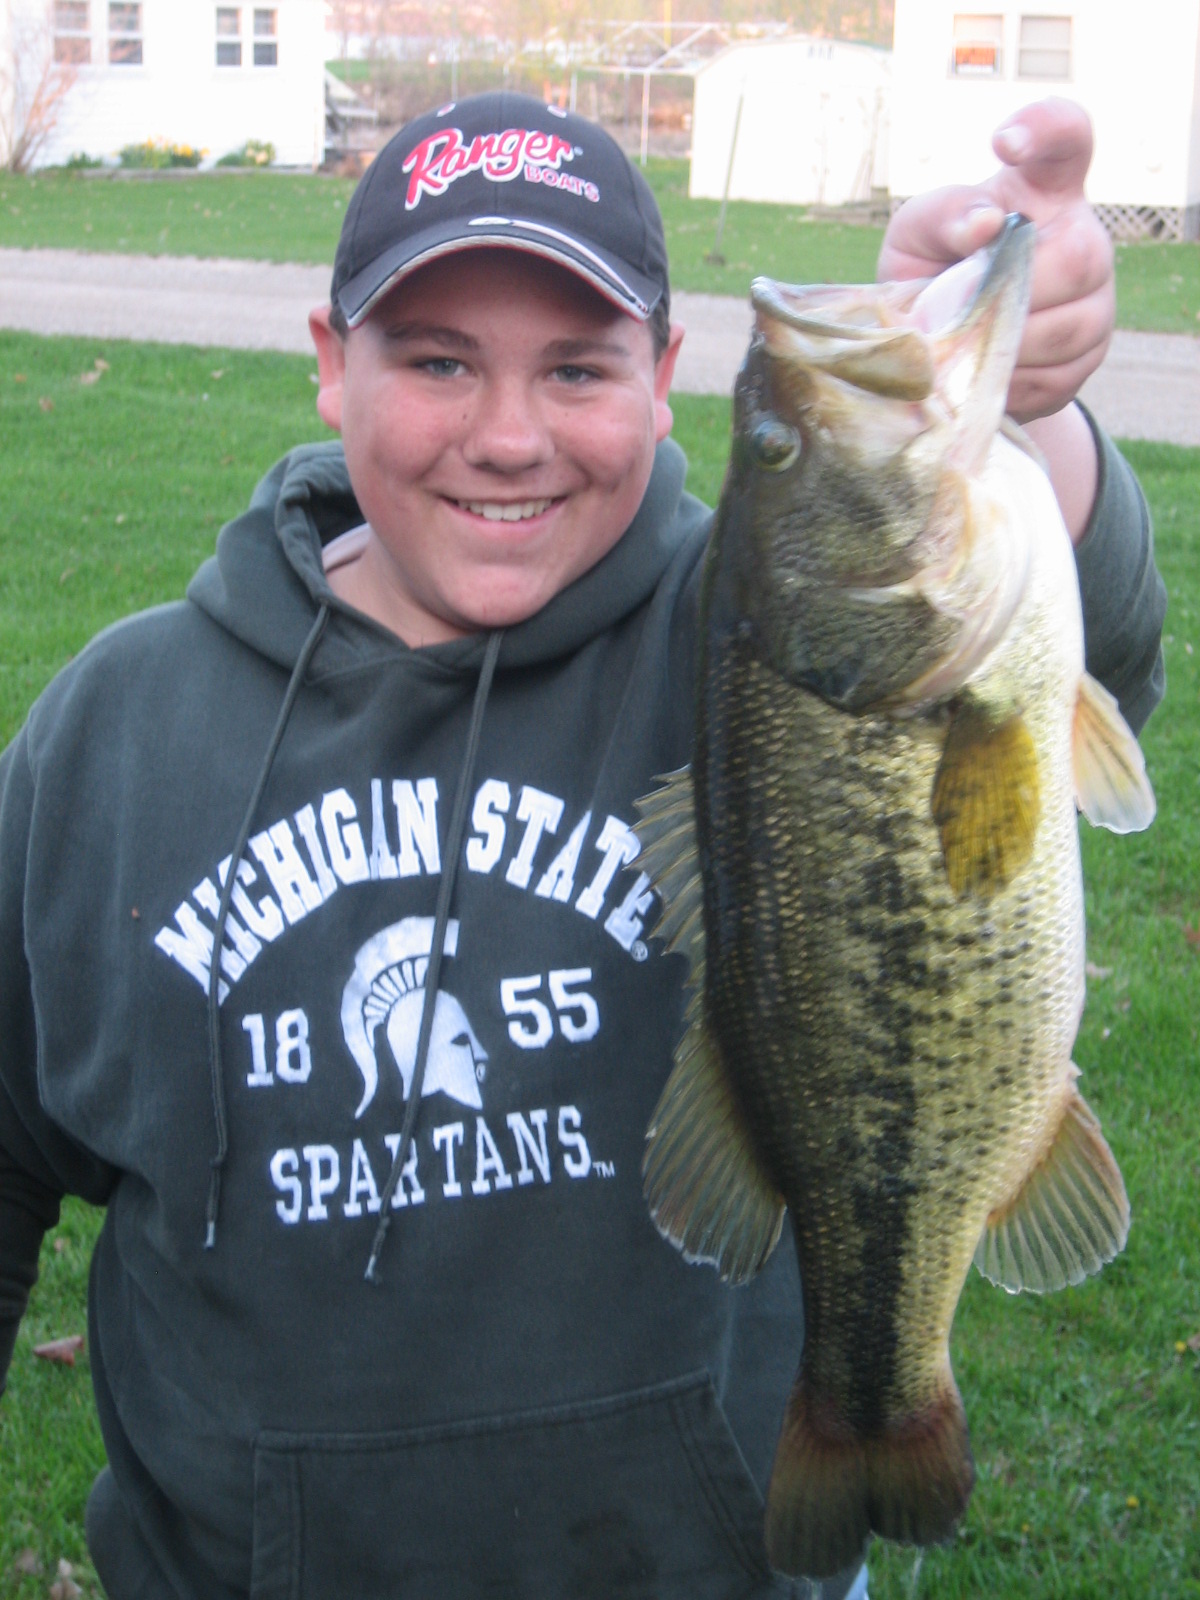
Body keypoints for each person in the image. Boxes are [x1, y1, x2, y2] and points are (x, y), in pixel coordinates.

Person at [0, 91, 1165, 1600]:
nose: (506, 435)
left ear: (666, 377)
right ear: (326, 368)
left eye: (577, 365)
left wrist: (1031, 407)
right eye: (434, 361)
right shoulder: (117, 727)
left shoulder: (734, 639)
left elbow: (1079, 641)